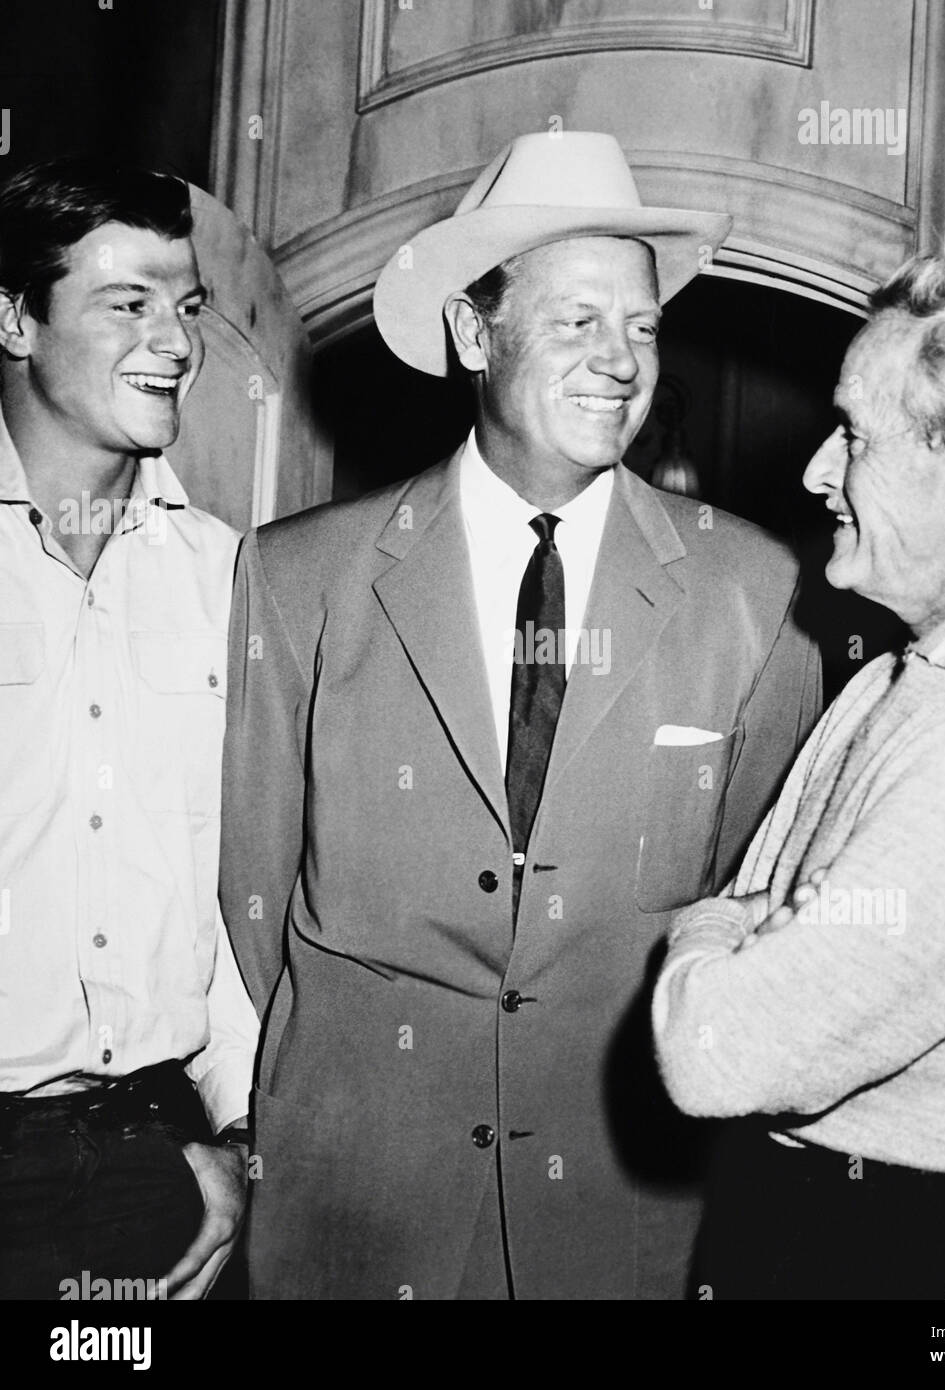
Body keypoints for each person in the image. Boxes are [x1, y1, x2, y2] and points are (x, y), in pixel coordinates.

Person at [220, 131, 822, 1299]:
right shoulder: (297, 577)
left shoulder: (754, 589)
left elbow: (758, 911)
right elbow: (252, 898)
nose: (620, 360)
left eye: (641, 326)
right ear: (471, 333)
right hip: (356, 1205)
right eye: (576, 320)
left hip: (621, 1215)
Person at [654, 235, 945, 1300]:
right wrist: (749, 928)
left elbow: (716, 1050)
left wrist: (708, 929)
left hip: (922, 1261)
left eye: (855, 434)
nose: (816, 470)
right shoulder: (904, 678)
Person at [0, 159, 258, 1301]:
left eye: (186, 305)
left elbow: (242, 887)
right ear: (14, 319)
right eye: (127, 303)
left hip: (153, 1165)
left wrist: (236, 1141)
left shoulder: (228, 579)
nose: (175, 341)